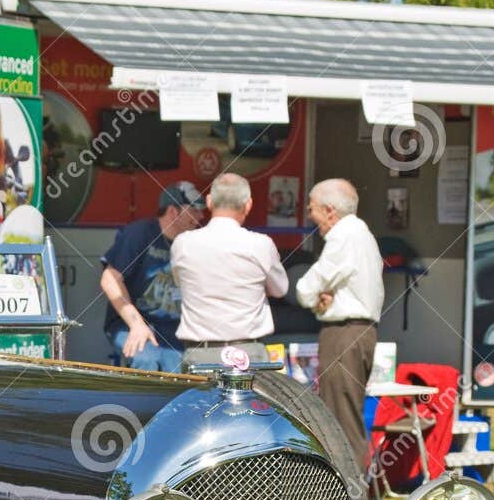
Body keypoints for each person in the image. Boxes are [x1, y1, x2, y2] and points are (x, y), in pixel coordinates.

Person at [296, 178, 385, 469]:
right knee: (346, 413)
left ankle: (350, 495)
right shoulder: (362, 235)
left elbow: (309, 285)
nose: (311, 217)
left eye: (313, 210)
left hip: (345, 334)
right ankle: (352, 489)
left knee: (340, 420)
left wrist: (313, 296)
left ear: (330, 211)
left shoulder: (343, 235)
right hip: (358, 332)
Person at [169, 172, 288, 368]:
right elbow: (280, 289)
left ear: (209, 202)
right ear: (248, 204)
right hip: (249, 355)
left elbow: (180, 282)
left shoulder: (182, 244)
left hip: (199, 356)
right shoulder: (261, 245)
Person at [99, 181, 206, 372]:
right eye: (195, 210)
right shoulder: (140, 232)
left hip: (174, 330)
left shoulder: (194, 242)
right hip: (132, 324)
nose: (201, 216)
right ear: (173, 211)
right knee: (146, 360)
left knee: (181, 371)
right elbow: (110, 278)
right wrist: (136, 323)